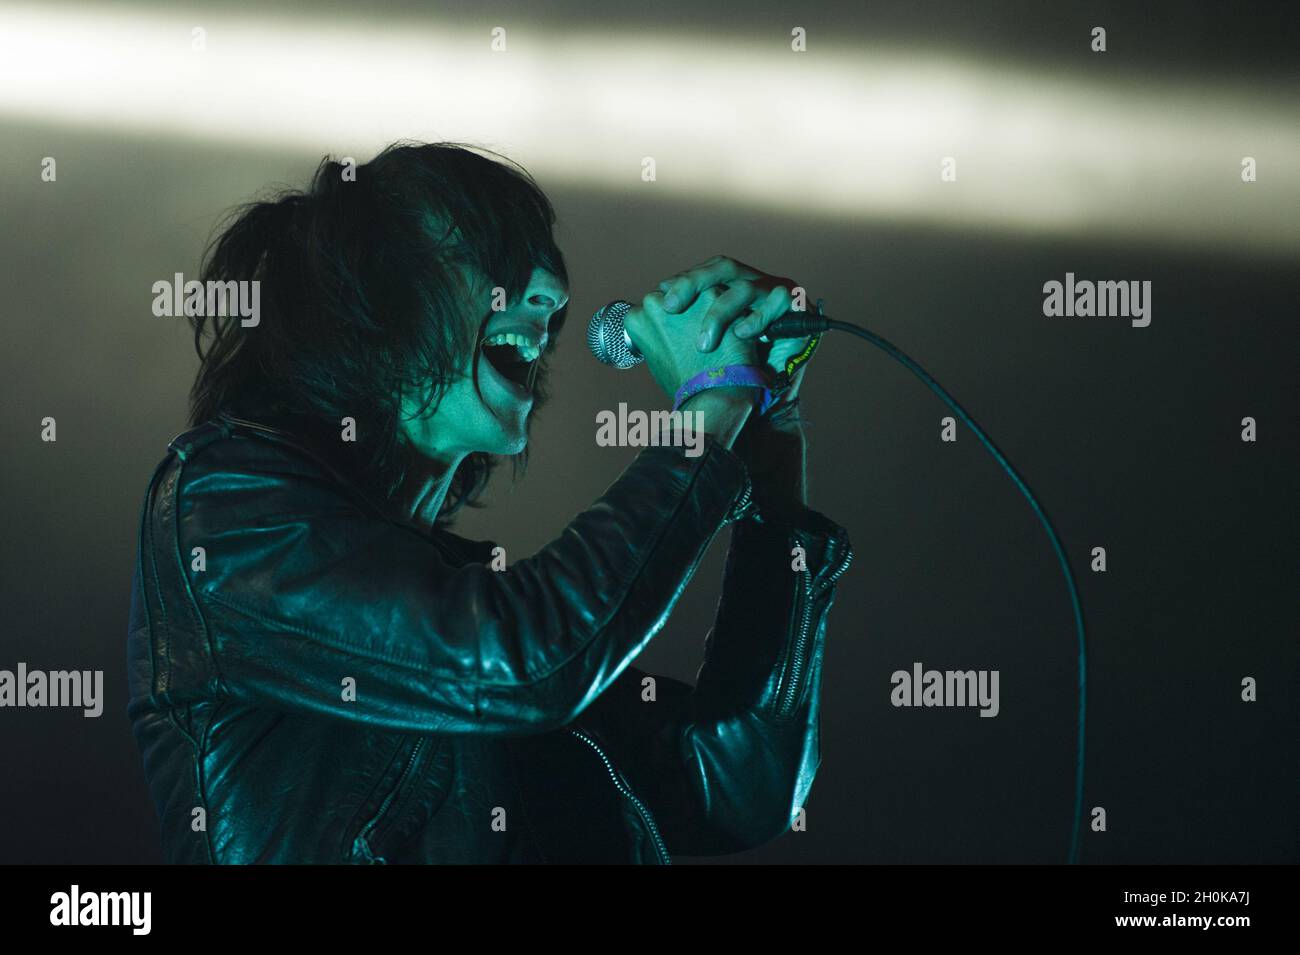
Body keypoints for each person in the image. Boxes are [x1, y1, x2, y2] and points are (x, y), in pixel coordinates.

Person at [127, 141, 853, 864]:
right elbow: (519, 662)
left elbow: (738, 785)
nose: (552, 291)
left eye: (545, 263)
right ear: (367, 297)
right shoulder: (221, 507)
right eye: (489, 254)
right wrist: (710, 407)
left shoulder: (481, 610)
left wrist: (769, 438)